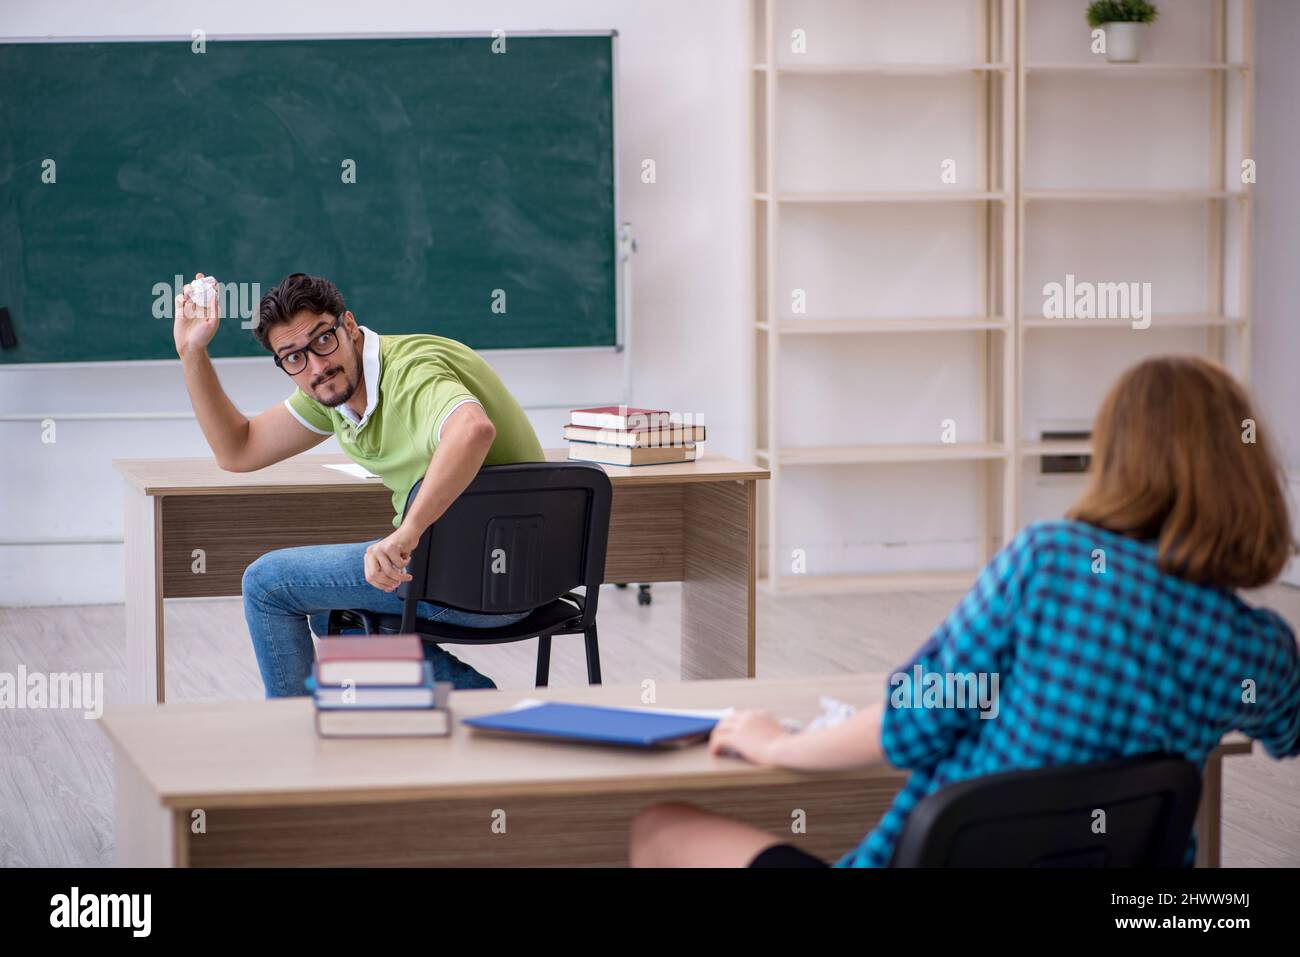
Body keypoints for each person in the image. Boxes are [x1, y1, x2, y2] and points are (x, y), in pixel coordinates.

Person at [630, 355, 1300, 867]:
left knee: (661, 827)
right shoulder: (1256, 646)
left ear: (1118, 458)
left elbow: (915, 722)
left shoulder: (1051, 561)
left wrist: (776, 743)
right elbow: (1289, 731)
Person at [172, 272, 545, 696]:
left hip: (485, 582)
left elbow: (473, 429)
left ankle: (290, 729)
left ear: (348, 326)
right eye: (293, 358)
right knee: (328, 612)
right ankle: (471, 697)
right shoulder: (331, 390)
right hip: (529, 576)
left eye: (323, 340)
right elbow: (238, 450)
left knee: (267, 585)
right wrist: (192, 352)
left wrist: (407, 533)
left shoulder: (409, 371)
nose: (317, 366)